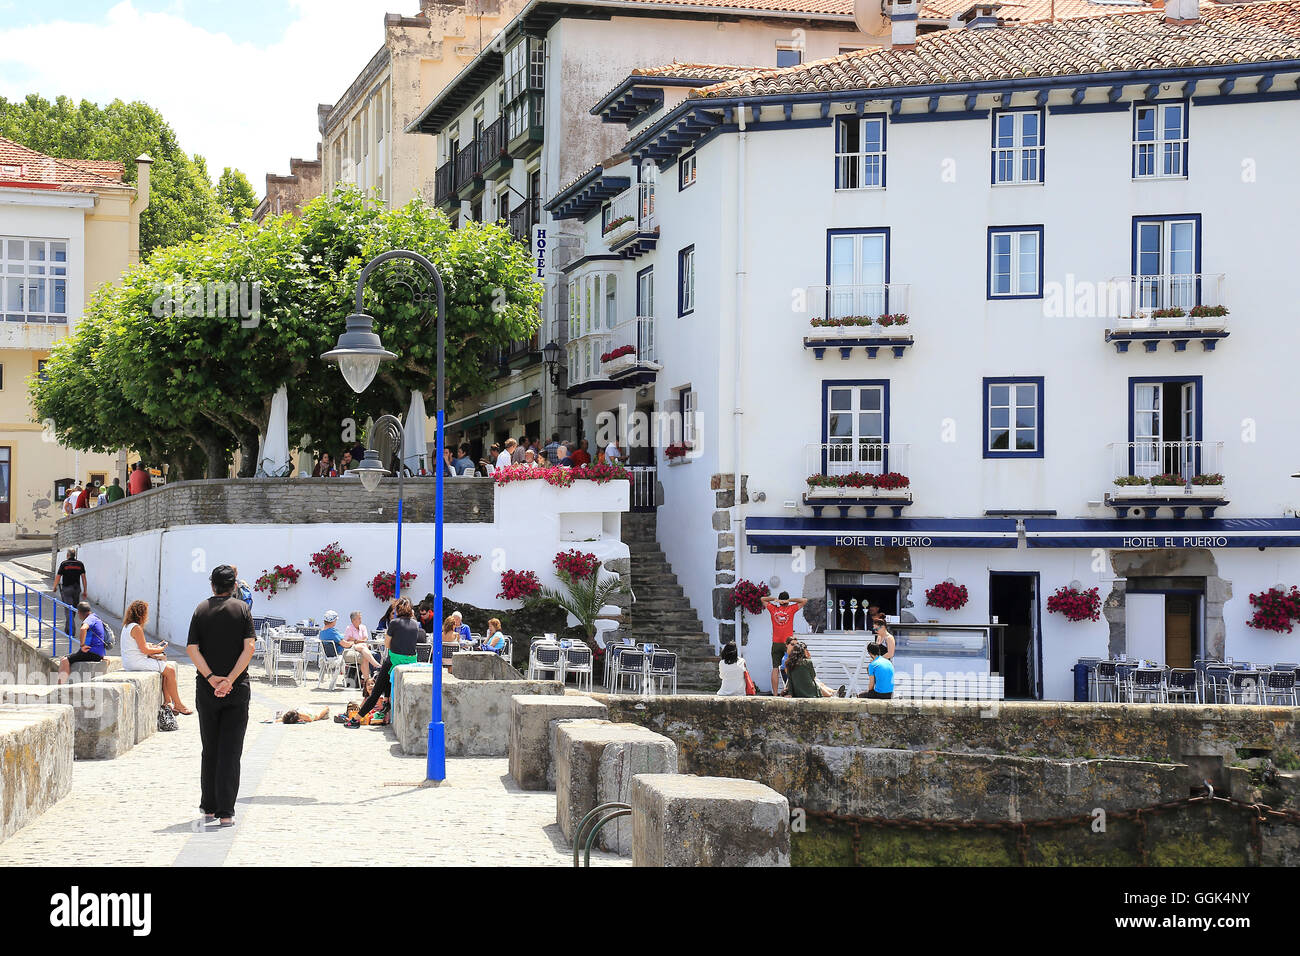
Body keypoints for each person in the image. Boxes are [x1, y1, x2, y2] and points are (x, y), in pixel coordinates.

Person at [185, 565, 256, 827]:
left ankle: (208, 807)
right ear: (234, 585)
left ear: (212, 585)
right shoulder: (242, 610)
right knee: (231, 750)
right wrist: (230, 679)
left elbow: (192, 648)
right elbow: (249, 648)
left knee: (210, 748)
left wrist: (211, 678)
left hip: (206, 689)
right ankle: (226, 812)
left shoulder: (201, 609)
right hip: (237, 689)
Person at [348, 599, 421, 725]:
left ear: (398, 609)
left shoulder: (394, 623)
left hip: (395, 659)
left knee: (376, 691)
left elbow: (387, 644)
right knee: (387, 669)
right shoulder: (415, 624)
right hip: (411, 660)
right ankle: (386, 701)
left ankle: (356, 719)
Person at [119, 599, 191, 714]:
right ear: (142, 614)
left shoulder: (127, 626)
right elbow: (144, 650)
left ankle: (168, 701)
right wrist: (160, 649)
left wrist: (153, 647)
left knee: (165, 669)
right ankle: (178, 704)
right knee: (170, 670)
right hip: (137, 663)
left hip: (130, 662)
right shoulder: (136, 628)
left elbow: (139, 645)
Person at [762, 591, 807, 695]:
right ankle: (790, 692)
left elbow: (762, 599)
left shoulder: (773, 609)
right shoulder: (791, 609)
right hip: (789, 644)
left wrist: (775, 600)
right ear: (786, 601)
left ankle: (775, 694)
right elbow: (804, 600)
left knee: (775, 668)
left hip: (776, 642)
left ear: (780, 601)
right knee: (791, 667)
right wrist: (790, 600)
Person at [56, 602, 108, 684]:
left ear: (79, 613)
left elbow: (83, 629)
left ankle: (59, 687)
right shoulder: (96, 617)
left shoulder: (89, 619)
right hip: (98, 652)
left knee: (64, 660)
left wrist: (82, 645)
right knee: (68, 657)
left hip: (91, 652)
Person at [341, 611, 380, 680]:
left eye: (360, 618)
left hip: (362, 647)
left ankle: (366, 681)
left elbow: (365, 638)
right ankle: (376, 665)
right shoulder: (349, 628)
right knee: (362, 646)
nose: (360, 620)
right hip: (352, 648)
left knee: (365, 656)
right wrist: (358, 641)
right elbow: (349, 640)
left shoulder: (363, 627)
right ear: (353, 620)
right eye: (359, 618)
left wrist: (356, 641)